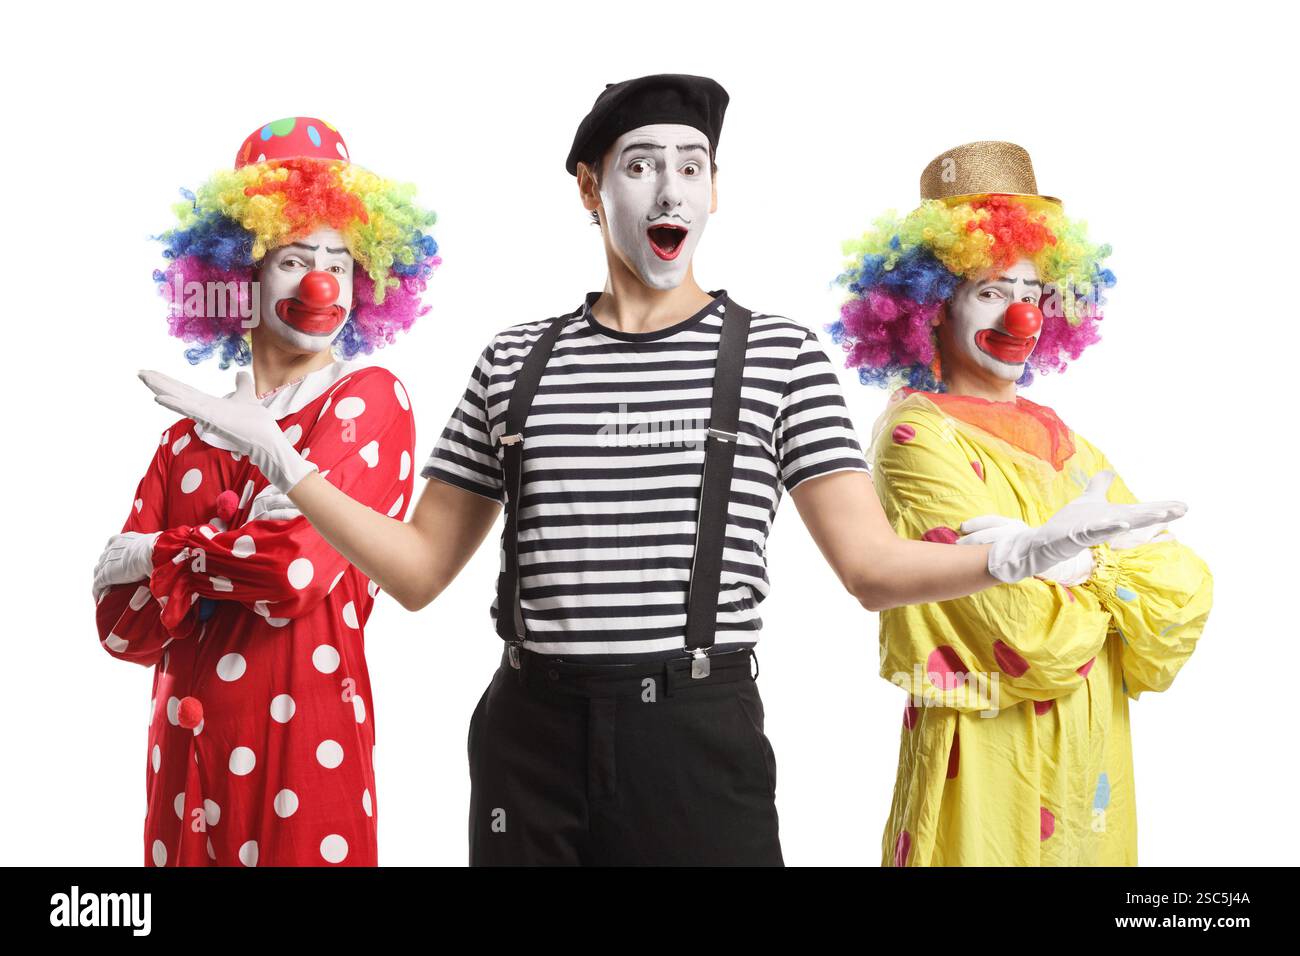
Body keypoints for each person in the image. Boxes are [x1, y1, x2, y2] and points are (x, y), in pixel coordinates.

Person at [140, 82, 1184, 866]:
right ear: (592, 191)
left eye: (691, 163)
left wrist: (1007, 551)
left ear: (716, 190)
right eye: (640, 164)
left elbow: (868, 566)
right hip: (528, 737)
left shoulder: (776, 356)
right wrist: (288, 463)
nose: (669, 183)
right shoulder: (513, 358)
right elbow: (416, 574)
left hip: (694, 734)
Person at [827, 140, 1214, 865]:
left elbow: (1180, 605)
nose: (1021, 318)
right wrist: (1097, 585)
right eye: (992, 292)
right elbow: (1025, 636)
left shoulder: (1067, 442)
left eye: (1033, 294)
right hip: (987, 776)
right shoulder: (917, 438)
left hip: (1093, 777)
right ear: (930, 307)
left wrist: (1080, 568)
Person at [94, 116, 440, 866]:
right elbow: (120, 627)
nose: (321, 283)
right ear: (236, 274)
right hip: (181, 769)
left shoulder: (369, 400)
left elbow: (291, 572)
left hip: (302, 759)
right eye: (292, 259)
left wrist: (158, 553)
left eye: (340, 263)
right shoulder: (183, 440)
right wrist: (219, 555)